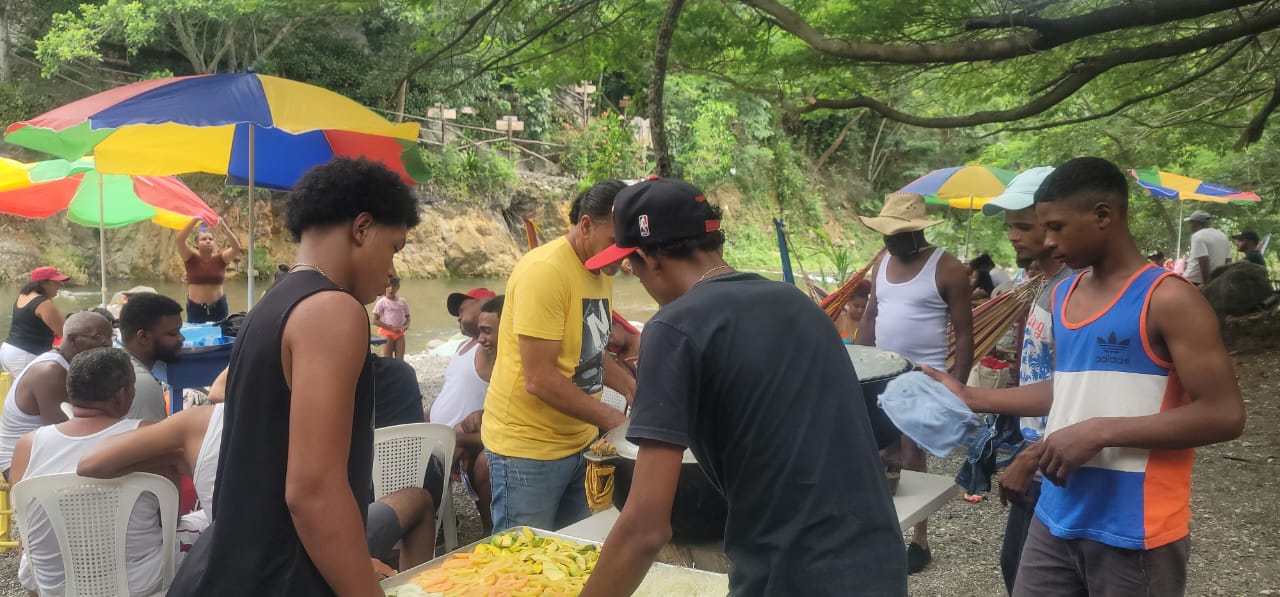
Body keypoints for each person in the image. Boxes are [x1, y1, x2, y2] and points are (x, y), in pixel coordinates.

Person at [927, 157, 1246, 596]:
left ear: (1103, 216)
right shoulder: (1063, 294)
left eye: (1057, 227)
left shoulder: (1169, 300)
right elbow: (1072, 390)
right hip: (1056, 514)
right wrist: (971, 396)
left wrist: (1098, 433)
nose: (1048, 241)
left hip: (1135, 529)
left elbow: (1224, 414)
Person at [578, 178, 905, 597]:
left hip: (793, 575)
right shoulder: (799, 305)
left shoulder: (673, 327)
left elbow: (646, 526)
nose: (638, 278)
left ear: (649, 259)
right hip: (877, 560)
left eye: (633, 267)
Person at [167, 157, 421, 596]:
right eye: (394, 248)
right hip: (284, 576)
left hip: (231, 564)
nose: (390, 272)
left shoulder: (272, 304)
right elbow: (314, 492)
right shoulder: (332, 310)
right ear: (362, 228)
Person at [77, 370, 437, 577]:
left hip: (233, 558)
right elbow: (316, 509)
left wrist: (170, 465)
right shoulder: (319, 421)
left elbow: (91, 464)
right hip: (311, 559)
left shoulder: (196, 423)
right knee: (417, 500)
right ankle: (410, 582)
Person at [482, 180, 628, 532]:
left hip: (580, 442)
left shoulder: (601, 269)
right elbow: (540, 378)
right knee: (524, 567)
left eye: (627, 246)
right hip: (527, 450)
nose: (621, 255)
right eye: (615, 242)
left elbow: (588, 352)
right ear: (586, 226)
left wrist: (633, 388)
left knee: (571, 556)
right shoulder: (545, 272)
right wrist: (614, 421)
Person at [857, 191, 974, 573]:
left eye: (893, 233)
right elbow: (871, 315)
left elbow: (965, 333)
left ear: (915, 232)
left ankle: (919, 540)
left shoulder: (948, 268)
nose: (886, 239)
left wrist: (959, 388)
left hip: (923, 376)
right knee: (877, 453)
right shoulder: (883, 263)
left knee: (911, 456)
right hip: (880, 373)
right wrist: (856, 364)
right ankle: (878, 529)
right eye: (884, 232)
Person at [980, 166, 1076, 593]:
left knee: (1032, 578)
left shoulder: (1073, 290)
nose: (1013, 237)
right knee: (1014, 568)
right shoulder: (1040, 283)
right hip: (1038, 449)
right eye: (1009, 227)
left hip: (1057, 458)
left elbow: (1078, 391)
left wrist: (1031, 456)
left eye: (1024, 226)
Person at [10, 347, 169, 596]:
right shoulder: (150, 435)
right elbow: (171, 514)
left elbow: (25, 526)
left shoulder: (27, 446)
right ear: (122, 395)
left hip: (56, 588)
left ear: (71, 393)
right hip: (141, 585)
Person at [0, 312, 113, 477]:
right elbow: (67, 435)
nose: (108, 344)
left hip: (45, 452)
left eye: (110, 337)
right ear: (73, 339)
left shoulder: (66, 363)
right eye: (99, 337)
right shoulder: (51, 372)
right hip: (21, 464)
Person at [119, 292, 185, 422]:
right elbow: (153, 442)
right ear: (143, 337)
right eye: (173, 334)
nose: (181, 338)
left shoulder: (118, 365)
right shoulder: (141, 384)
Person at [1, 267, 71, 375]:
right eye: (56, 282)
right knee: (42, 389)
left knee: (23, 389)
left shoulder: (24, 296)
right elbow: (65, 333)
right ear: (43, 283)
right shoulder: (44, 303)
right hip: (25, 354)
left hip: (9, 349)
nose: (59, 285)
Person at [176, 216, 243, 324]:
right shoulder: (190, 258)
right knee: (196, 337)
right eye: (204, 239)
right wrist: (194, 221)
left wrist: (224, 227)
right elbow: (180, 240)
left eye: (210, 239)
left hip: (218, 306)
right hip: (196, 308)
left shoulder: (221, 259)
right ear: (196, 244)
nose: (208, 241)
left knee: (221, 336)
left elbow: (236, 248)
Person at [1182, 210, 1230, 285]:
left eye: (1191, 223)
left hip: (1194, 281)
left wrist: (1206, 284)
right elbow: (1228, 261)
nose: (1191, 226)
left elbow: (1204, 260)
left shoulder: (1197, 236)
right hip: (1216, 280)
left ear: (1196, 223)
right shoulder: (1223, 236)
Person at [373, 277, 411, 359]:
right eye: (388, 286)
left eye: (394, 286)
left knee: (400, 360)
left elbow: (408, 317)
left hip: (400, 333)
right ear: (385, 288)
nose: (391, 289)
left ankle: (399, 371)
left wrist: (406, 326)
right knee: (388, 359)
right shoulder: (382, 302)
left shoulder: (402, 302)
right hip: (387, 333)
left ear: (398, 287)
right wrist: (391, 328)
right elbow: (375, 321)